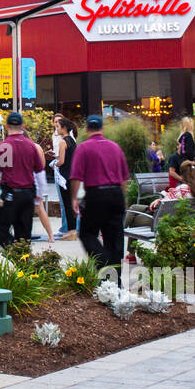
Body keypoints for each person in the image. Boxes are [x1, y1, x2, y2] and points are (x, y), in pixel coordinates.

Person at [67, 114, 131, 275]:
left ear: (87, 129)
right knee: (114, 238)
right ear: (102, 128)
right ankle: (114, 282)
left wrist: (74, 198)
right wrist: (123, 198)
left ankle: (104, 262)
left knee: (87, 233)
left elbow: (75, 176)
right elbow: (124, 178)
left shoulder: (83, 148)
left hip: (96, 195)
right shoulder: (115, 147)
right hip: (115, 194)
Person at [0, 112, 45, 248]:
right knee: (24, 234)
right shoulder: (31, 146)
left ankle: (11, 253)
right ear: (22, 126)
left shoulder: (2, 147)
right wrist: (39, 195)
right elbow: (40, 174)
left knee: (2, 230)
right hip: (27, 193)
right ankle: (22, 259)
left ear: (6, 126)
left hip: (10, 194)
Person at [52, 116, 76, 237]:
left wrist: (54, 164)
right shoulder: (72, 141)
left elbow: (61, 161)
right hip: (72, 175)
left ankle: (71, 231)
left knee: (67, 205)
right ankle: (73, 229)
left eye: (58, 127)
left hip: (64, 177)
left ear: (64, 128)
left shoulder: (63, 142)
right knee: (71, 204)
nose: (56, 129)